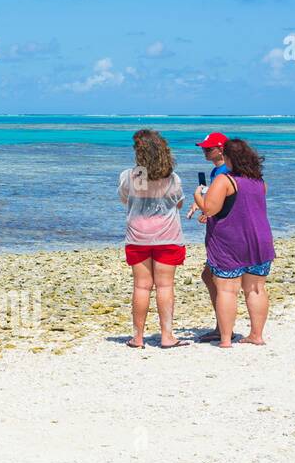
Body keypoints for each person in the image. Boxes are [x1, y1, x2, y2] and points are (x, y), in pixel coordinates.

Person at [191, 138, 275, 348]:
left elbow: (210, 209)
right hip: (260, 240)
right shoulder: (259, 181)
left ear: (228, 157)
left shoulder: (225, 180)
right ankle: (256, 335)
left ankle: (226, 339)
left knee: (227, 290)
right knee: (256, 289)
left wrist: (197, 195)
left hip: (231, 242)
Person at [118, 129, 186, 349]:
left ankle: (138, 338)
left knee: (141, 287)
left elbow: (125, 200)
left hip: (138, 237)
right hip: (167, 236)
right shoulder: (172, 178)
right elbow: (179, 203)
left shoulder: (132, 175)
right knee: (165, 286)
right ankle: (167, 336)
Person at [187, 131, 231, 341]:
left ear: (221, 149)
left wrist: (205, 207)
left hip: (223, 232)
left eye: (208, 148)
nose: (204, 151)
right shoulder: (217, 171)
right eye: (203, 148)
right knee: (211, 277)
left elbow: (227, 201)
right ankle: (222, 326)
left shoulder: (226, 172)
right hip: (216, 230)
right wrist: (200, 204)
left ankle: (223, 328)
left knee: (217, 279)